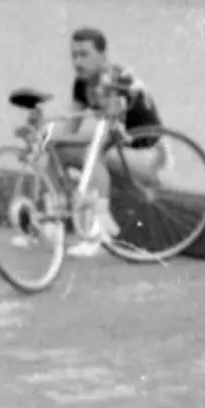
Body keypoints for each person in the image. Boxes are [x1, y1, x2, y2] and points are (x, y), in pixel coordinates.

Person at [55, 25, 167, 255]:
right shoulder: (82, 84)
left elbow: (106, 134)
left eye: (84, 54)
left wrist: (68, 143)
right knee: (56, 150)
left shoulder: (116, 80)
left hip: (149, 157)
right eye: (73, 55)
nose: (77, 61)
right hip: (121, 151)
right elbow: (69, 130)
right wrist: (52, 143)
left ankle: (97, 235)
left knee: (92, 154)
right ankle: (49, 222)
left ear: (103, 55)